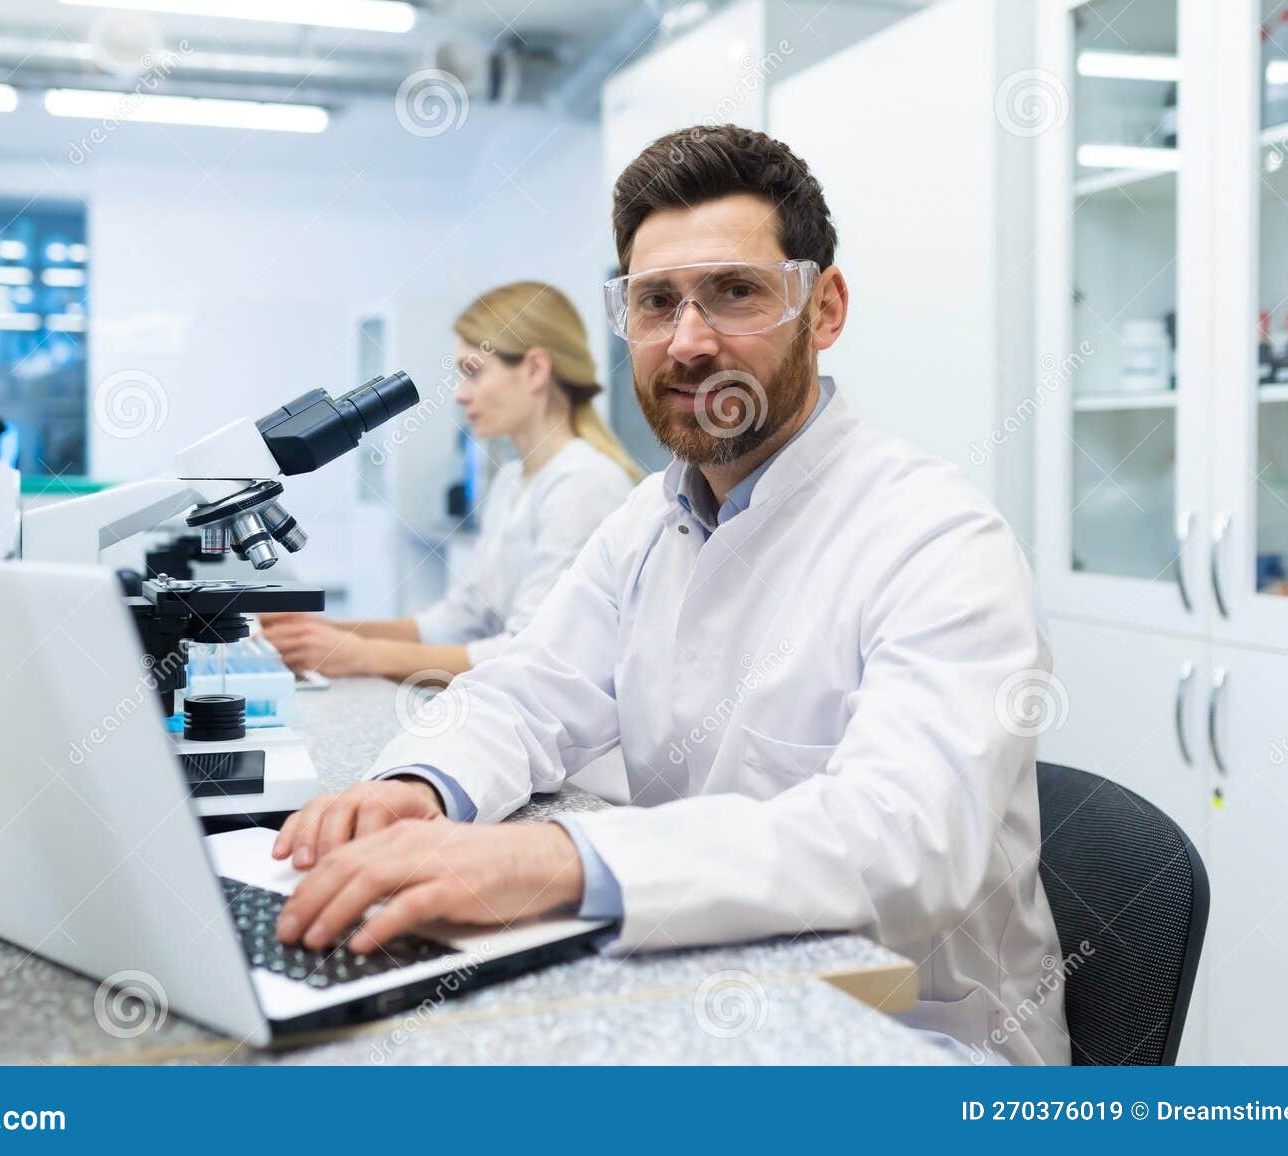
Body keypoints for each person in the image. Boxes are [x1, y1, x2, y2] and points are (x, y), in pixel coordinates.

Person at [266, 125, 1068, 1065]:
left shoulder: (937, 538)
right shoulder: (651, 520)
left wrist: (555, 860)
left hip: (906, 1037)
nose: (688, 342)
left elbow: (909, 843)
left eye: (734, 292)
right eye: (655, 303)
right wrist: (418, 785)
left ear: (825, 308)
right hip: (707, 985)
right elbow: (525, 689)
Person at [259, 282, 640, 682]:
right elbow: (465, 615)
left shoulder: (583, 482)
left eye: (473, 373)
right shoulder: (514, 479)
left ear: (535, 370)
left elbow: (530, 652)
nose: (459, 395)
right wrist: (327, 636)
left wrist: (364, 656)